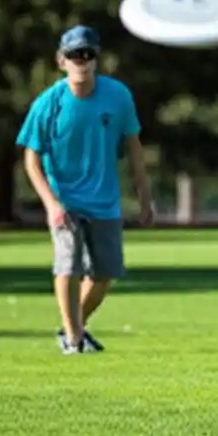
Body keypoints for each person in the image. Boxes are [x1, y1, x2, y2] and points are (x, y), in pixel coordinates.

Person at [16, 25, 154, 355]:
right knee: (68, 265)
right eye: (75, 55)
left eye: (88, 54)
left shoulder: (117, 96)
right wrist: (51, 203)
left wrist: (145, 197)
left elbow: (133, 147)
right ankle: (75, 340)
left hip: (105, 201)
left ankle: (71, 327)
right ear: (61, 61)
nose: (82, 60)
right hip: (65, 200)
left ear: (96, 59)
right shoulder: (47, 104)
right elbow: (31, 159)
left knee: (105, 272)